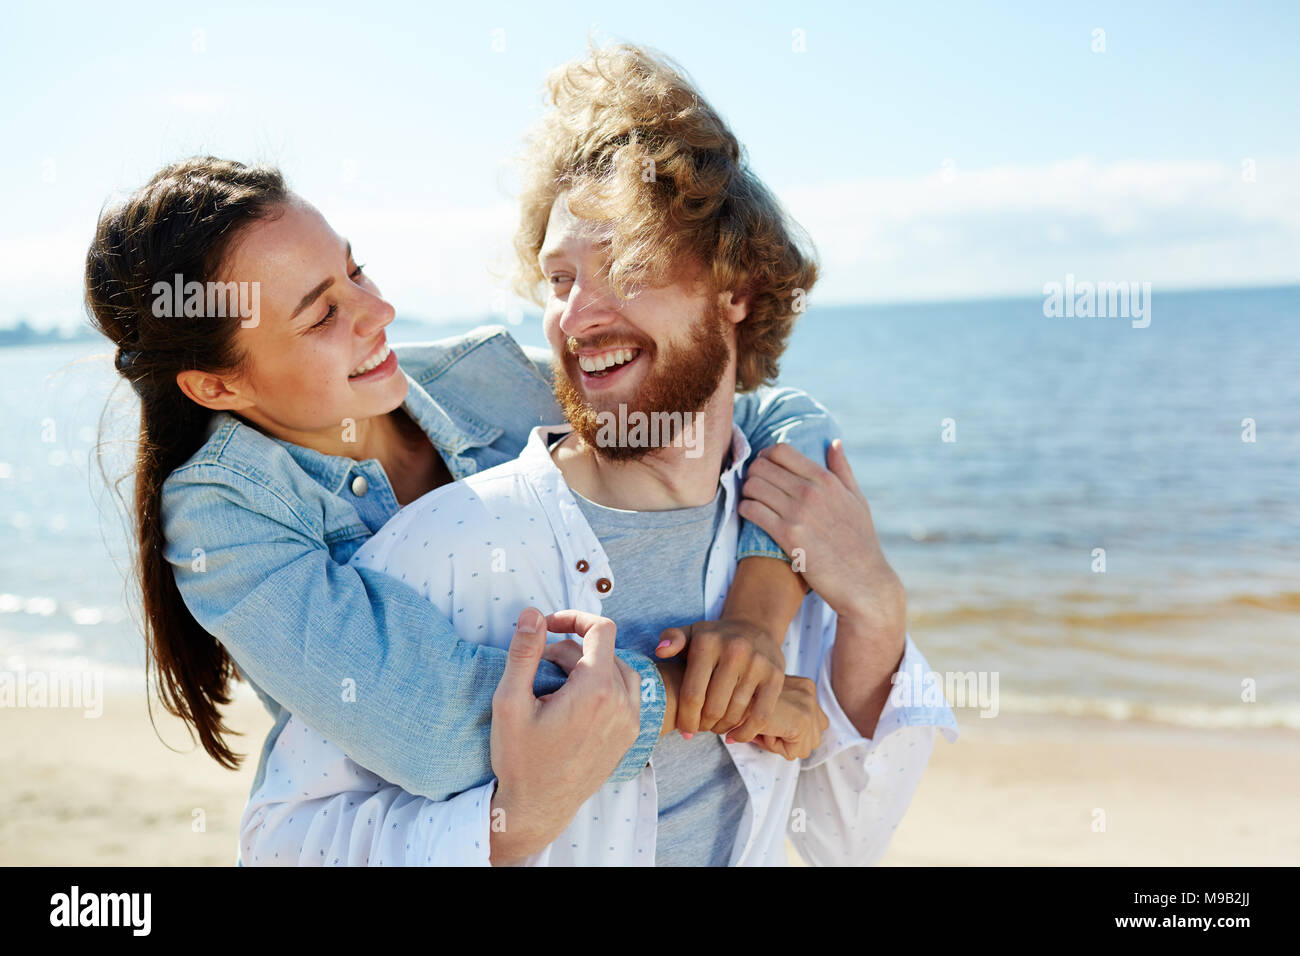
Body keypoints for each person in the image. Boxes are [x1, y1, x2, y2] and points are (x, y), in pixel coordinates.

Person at [238, 42, 959, 867]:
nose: (576, 317)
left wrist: (876, 609)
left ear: (736, 289)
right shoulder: (447, 543)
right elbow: (279, 846)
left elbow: (843, 837)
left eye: (628, 264)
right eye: (558, 280)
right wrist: (508, 826)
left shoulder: (793, 534)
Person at [85, 149, 845, 815]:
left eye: (354, 270)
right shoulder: (223, 512)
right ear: (218, 386)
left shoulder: (481, 376)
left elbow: (779, 415)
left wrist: (756, 617)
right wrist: (695, 696)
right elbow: (430, 728)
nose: (379, 311)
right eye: (322, 316)